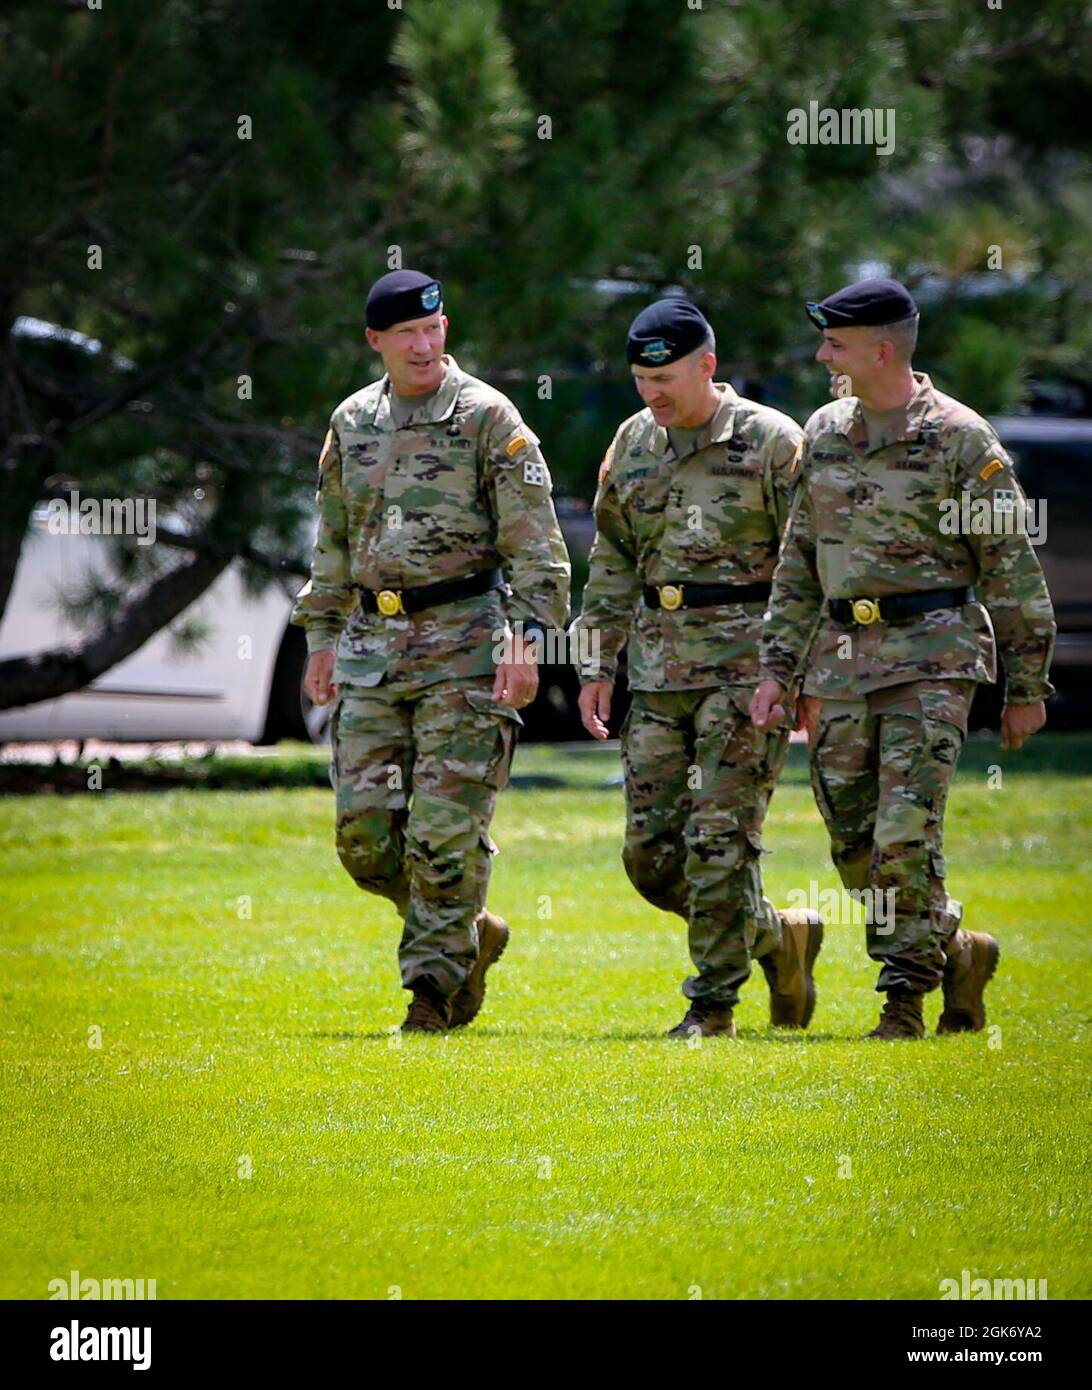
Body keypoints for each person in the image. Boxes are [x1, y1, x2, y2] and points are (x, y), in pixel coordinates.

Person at [751, 277, 1056, 1039]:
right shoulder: (824, 430)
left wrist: (1026, 685)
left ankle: (903, 1002)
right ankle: (957, 951)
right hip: (839, 662)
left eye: (835, 345)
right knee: (855, 844)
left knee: (904, 834)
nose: (822, 357)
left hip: (932, 658)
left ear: (881, 351)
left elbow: (1010, 568)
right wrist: (776, 670)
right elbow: (799, 561)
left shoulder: (961, 438)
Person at [293, 269, 570, 1033]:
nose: (422, 345)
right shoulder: (352, 421)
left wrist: (528, 641)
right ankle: (467, 930)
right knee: (364, 840)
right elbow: (334, 544)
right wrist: (320, 637)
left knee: (444, 836)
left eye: (433, 328)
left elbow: (538, 550)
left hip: (466, 647)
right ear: (375, 341)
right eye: (406, 334)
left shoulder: (486, 416)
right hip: (372, 651)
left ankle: (431, 996)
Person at [572, 298, 823, 1039]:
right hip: (658, 671)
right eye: (641, 380)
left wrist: (797, 672)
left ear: (707, 367)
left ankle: (712, 1007)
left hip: (748, 671)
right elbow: (613, 557)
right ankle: (778, 937)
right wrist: (597, 663)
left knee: (719, 842)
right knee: (651, 856)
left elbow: (808, 565)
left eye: (666, 379)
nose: (652, 393)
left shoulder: (773, 442)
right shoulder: (633, 441)